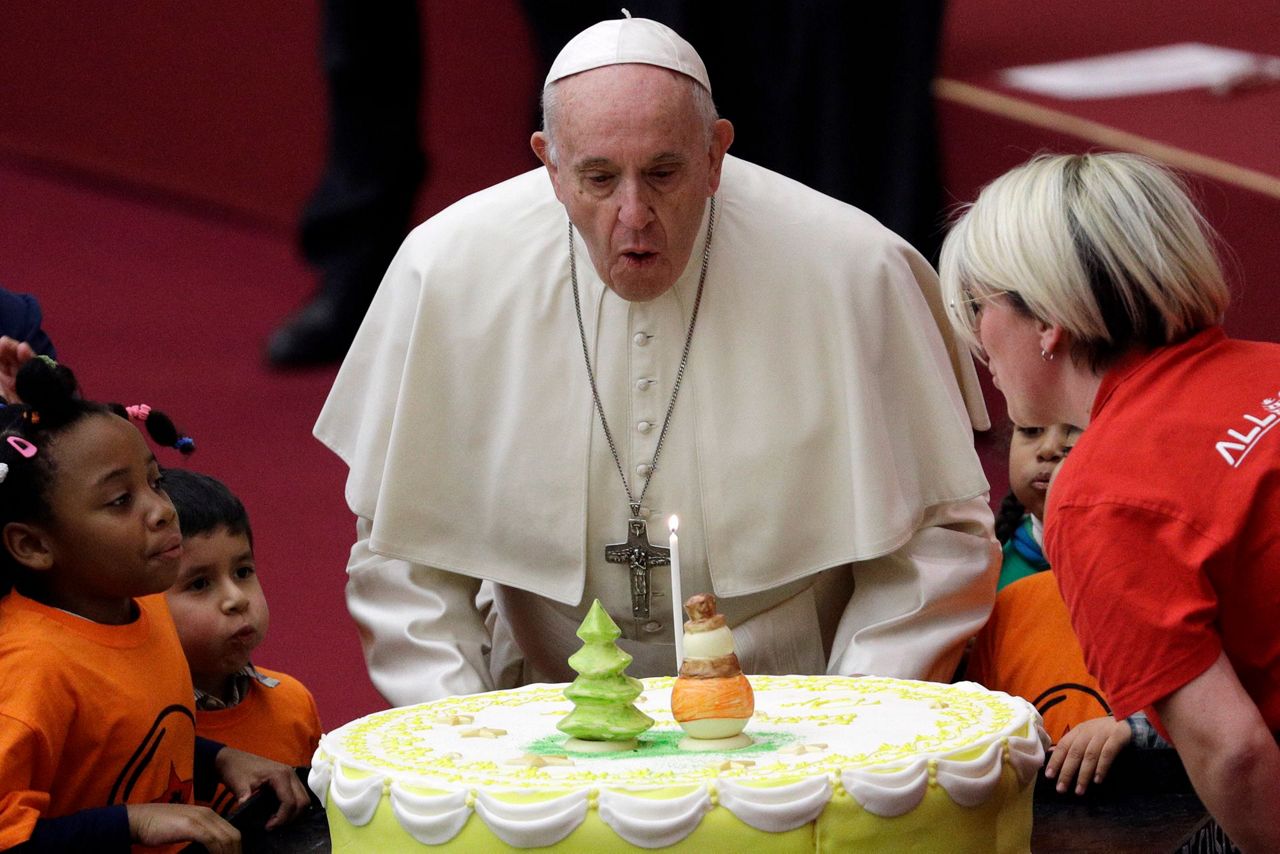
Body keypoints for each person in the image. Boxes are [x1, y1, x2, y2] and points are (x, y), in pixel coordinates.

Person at [316, 15, 997, 707]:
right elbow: (405, 558)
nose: (634, 214)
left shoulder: (852, 268)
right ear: (550, 166)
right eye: (599, 179)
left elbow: (934, 542)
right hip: (541, 707)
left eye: (664, 173)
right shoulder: (447, 269)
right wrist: (466, 737)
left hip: (796, 693)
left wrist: (850, 722)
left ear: (715, 155)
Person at [941, 151, 1280, 850]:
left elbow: (1236, 755)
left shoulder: (1097, 499)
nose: (977, 339)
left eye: (978, 307)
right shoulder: (1268, 361)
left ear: (1047, 323)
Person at [0, 357, 309, 852]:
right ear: (33, 546)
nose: (163, 510)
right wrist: (132, 823)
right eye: (121, 500)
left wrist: (219, 757)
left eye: (155, 481)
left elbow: (126, 743)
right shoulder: (30, 669)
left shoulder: (145, 609)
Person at [967, 420, 1170, 795]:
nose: (1049, 450)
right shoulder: (992, 583)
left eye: (1076, 431)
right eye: (1029, 430)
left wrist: (1134, 727)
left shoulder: (1164, 585)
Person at [162, 468, 323, 816]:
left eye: (243, 572)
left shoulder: (292, 703)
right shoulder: (139, 730)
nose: (236, 598)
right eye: (200, 584)